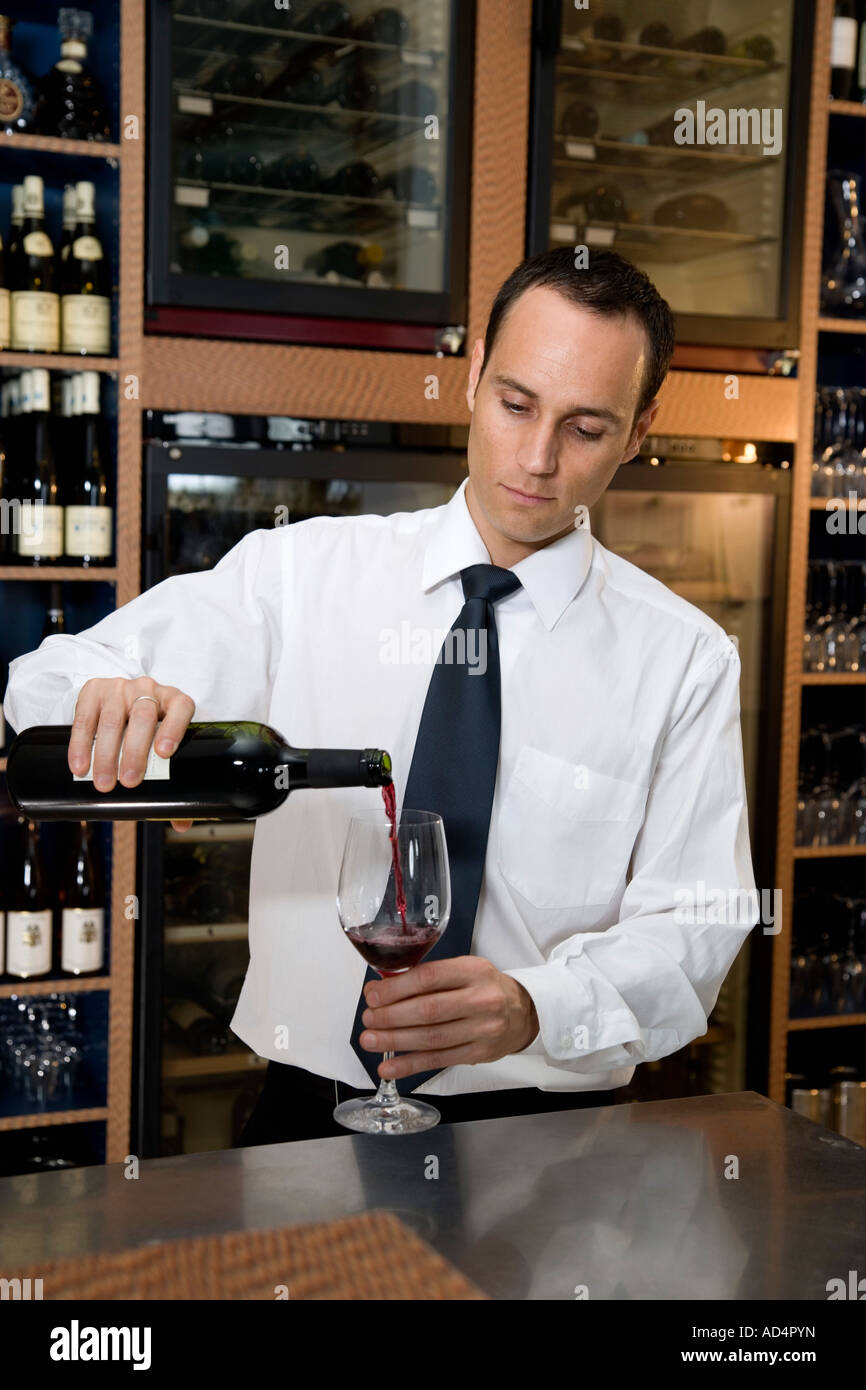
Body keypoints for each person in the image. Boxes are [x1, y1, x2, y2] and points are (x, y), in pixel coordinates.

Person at [4, 248, 759, 1145]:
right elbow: (43, 680)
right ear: (473, 376)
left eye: (586, 428)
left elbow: (697, 922)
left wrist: (536, 1006)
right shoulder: (301, 574)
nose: (537, 455)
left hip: (556, 1140)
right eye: (516, 403)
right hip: (304, 1120)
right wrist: (101, 696)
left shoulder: (684, 657)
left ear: (640, 432)